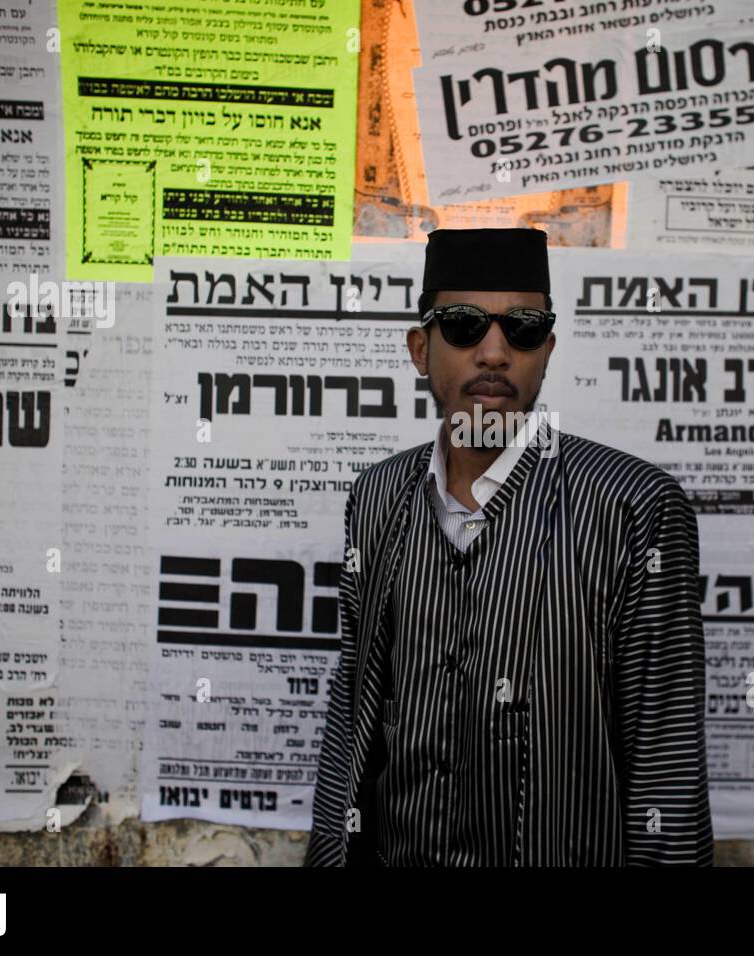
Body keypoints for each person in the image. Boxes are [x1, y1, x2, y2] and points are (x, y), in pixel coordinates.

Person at [305, 227, 713, 866]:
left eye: (521, 328)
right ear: (421, 347)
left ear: (546, 349)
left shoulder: (634, 508)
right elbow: (354, 707)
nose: (494, 352)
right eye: (464, 325)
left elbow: (667, 760)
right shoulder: (379, 497)